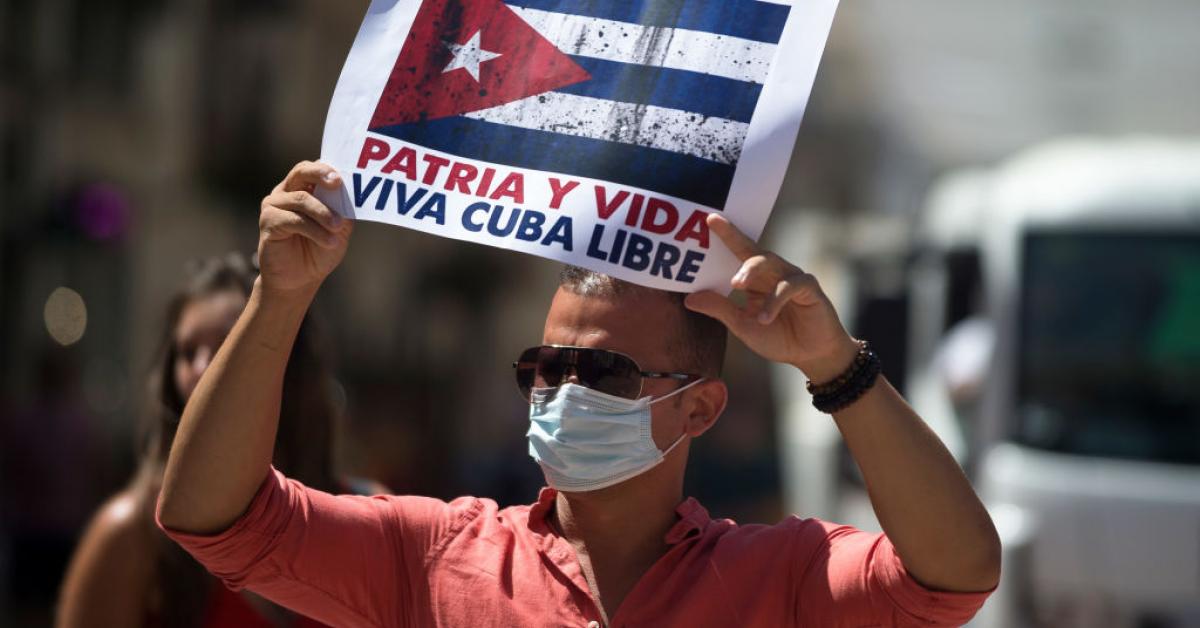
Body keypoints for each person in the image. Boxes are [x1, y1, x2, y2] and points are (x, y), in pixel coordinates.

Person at [157, 162, 1001, 627]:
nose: (561, 390)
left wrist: (834, 366)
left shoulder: (779, 579)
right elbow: (214, 518)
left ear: (699, 408)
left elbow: (954, 577)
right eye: (544, 366)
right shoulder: (435, 557)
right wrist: (281, 297)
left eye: (601, 373)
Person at [58, 252, 378, 628]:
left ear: (293, 363)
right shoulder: (130, 534)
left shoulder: (365, 518)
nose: (201, 369)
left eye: (230, 345)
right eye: (188, 352)